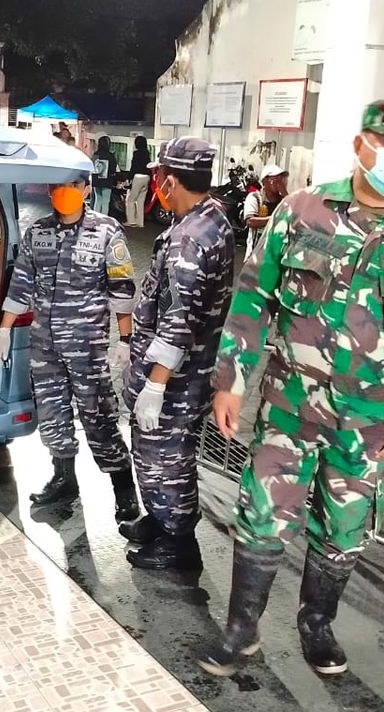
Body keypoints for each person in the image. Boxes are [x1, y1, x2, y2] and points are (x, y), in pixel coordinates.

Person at [199, 98, 384, 678]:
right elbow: (254, 296)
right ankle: (241, 632)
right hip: (290, 409)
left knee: (345, 528)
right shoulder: (301, 211)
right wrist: (231, 378)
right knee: (260, 516)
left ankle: (316, 624)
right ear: (362, 146)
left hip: (373, 421)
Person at [0, 173, 140, 522]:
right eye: (58, 185)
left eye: (73, 185)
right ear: (48, 188)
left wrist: (126, 340)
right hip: (45, 347)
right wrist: (3, 330)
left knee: (99, 418)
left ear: (87, 189)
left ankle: (124, 489)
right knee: (52, 416)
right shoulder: (38, 232)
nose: (65, 192)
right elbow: (21, 285)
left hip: (87, 350)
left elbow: (122, 289)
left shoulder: (106, 230)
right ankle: (64, 480)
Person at [119, 137, 235, 570]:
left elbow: (179, 319)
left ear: (167, 180)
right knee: (163, 455)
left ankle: (179, 541)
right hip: (188, 367)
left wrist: (155, 385)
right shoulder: (211, 217)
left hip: (176, 377)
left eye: (157, 177)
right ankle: (163, 518)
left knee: (165, 456)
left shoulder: (191, 238)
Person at [242, 164, 289, 259]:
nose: (279, 182)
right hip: (256, 255)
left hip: (277, 255)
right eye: (275, 179)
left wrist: (285, 194)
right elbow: (250, 221)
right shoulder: (255, 197)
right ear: (264, 181)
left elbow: (292, 214)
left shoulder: (283, 200)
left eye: (281, 179)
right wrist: (276, 218)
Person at [123, 136, 151, 228]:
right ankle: (140, 222)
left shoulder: (137, 153)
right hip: (146, 177)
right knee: (140, 201)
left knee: (130, 200)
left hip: (138, 177)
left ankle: (131, 221)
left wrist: (129, 178)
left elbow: (133, 167)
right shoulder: (147, 153)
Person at [91, 136, 118, 215]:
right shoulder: (110, 156)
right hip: (107, 181)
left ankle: (96, 217)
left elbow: (92, 167)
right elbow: (113, 168)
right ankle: (103, 219)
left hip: (96, 181)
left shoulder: (95, 155)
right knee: (105, 201)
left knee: (98, 199)